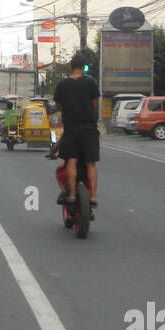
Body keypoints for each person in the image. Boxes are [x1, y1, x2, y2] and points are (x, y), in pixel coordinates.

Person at [52, 53, 99, 217]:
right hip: (89, 128)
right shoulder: (91, 83)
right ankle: (92, 197)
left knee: (71, 161)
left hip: (71, 128)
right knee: (90, 163)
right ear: (83, 66)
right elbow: (94, 104)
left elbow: (58, 105)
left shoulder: (63, 84)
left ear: (71, 66)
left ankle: (71, 194)